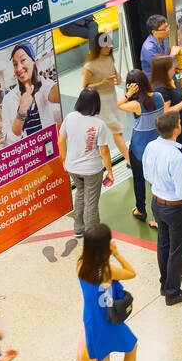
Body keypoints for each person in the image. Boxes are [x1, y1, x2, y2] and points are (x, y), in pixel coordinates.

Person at [76, 224, 146, 361]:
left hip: (92, 320)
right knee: (131, 347)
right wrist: (116, 254)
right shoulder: (107, 270)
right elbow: (131, 272)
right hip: (108, 320)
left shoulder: (81, 264)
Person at [142, 113, 182, 306]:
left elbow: (147, 174)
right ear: (176, 129)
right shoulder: (177, 157)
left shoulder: (151, 146)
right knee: (177, 250)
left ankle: (165, 283)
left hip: (157, 203)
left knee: (163, 244)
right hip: (176, 210)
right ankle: (173, 292)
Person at [59, 88, 116, 241]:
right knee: (91, 201)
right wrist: (109, 171)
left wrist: (64, 160)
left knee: (80, 194)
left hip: (72, 168)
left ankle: (78, 229)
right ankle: (93, 234)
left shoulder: (70, 117)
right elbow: (104, 150)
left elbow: (60, 140)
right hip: (91, 170)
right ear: (96, 104)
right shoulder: (99, 124)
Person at [116, 70, 162, 227]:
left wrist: (128, 94)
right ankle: (158, 217)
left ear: (132, 86)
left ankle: (141, 210)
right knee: (156, 183)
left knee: (139, 180)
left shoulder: (136, 105)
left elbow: (119, 105)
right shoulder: (158, 97)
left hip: (138, 150)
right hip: (157, 148)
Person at [81, 32, 130, 164]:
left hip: (112, 99)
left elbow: (114, 74)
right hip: (101, 103)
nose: (109, 48)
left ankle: (123, 159)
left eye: (110, 45)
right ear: (99, 47)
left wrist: (118, 77)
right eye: (106, 45)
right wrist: (101, 83)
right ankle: (129, 160)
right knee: (117, 131)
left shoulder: (109, 59)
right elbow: (85, 87)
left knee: (114, 131)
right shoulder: (90, 66)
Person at [0, 40, 60, 143]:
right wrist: (22, 112)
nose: (18, 68)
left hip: (51, 148)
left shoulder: (44, 85)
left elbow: (57, 94)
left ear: (33, 60)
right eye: (15, 64)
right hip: (28, 154)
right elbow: (7, 138)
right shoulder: (8, 100)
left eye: (23, 60)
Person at [150, 54, 182, 156]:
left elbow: (178, 92)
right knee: (177, 153)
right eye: (171, 66)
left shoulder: (172, 78)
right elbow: (166, 111)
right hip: (171, 126)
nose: (174, 67)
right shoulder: (160, 88)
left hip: (181, 121)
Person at [140, 14, 182, 79]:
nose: (168, 30)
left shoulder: (165, 39)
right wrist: (173, 54)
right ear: (154, 32)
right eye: (164, 29)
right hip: (155, 82)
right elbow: (161, 67)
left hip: (167, 76)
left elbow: (166, 56)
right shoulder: (148, 49)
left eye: (168, 27)